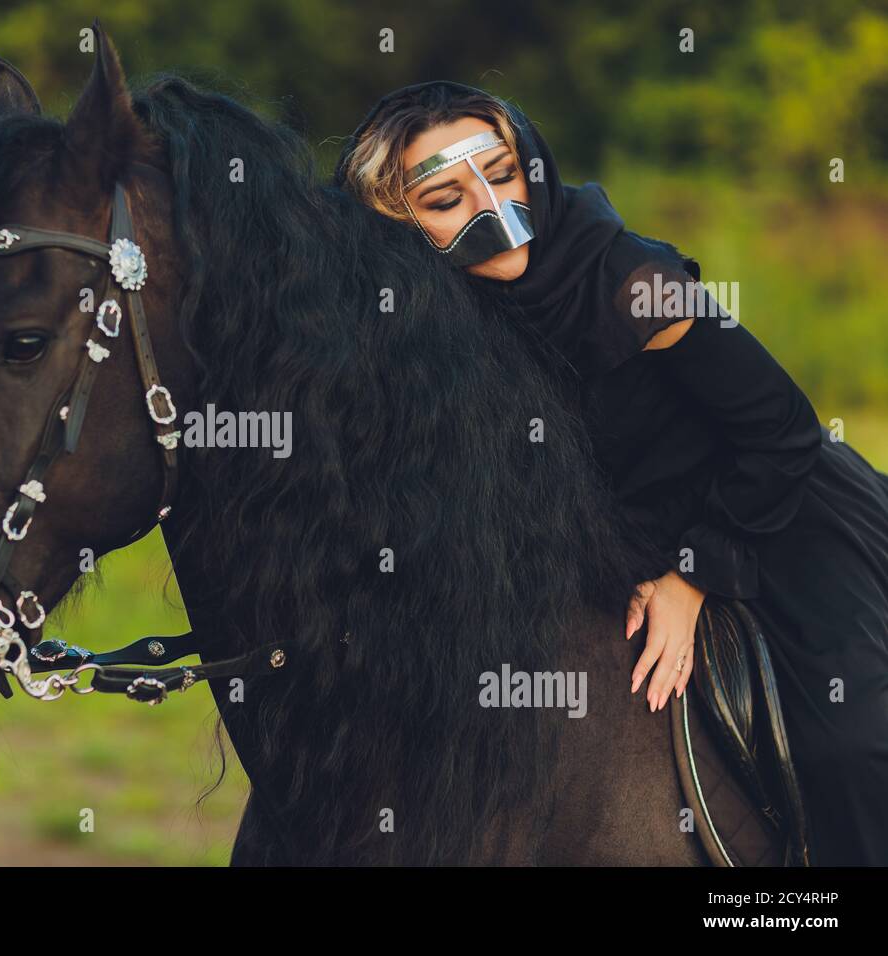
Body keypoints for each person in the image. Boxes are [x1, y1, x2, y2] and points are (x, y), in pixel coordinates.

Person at [335, 81, 888, 865]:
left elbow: (782, 431)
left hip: (769, 509)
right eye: (445, 199)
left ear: (534, 164)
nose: (492, 208)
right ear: (398, 224)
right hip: (604, 537)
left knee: (856, 746)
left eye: (503, 171)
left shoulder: (634, 283)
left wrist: (690, 576)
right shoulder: (428, 323)